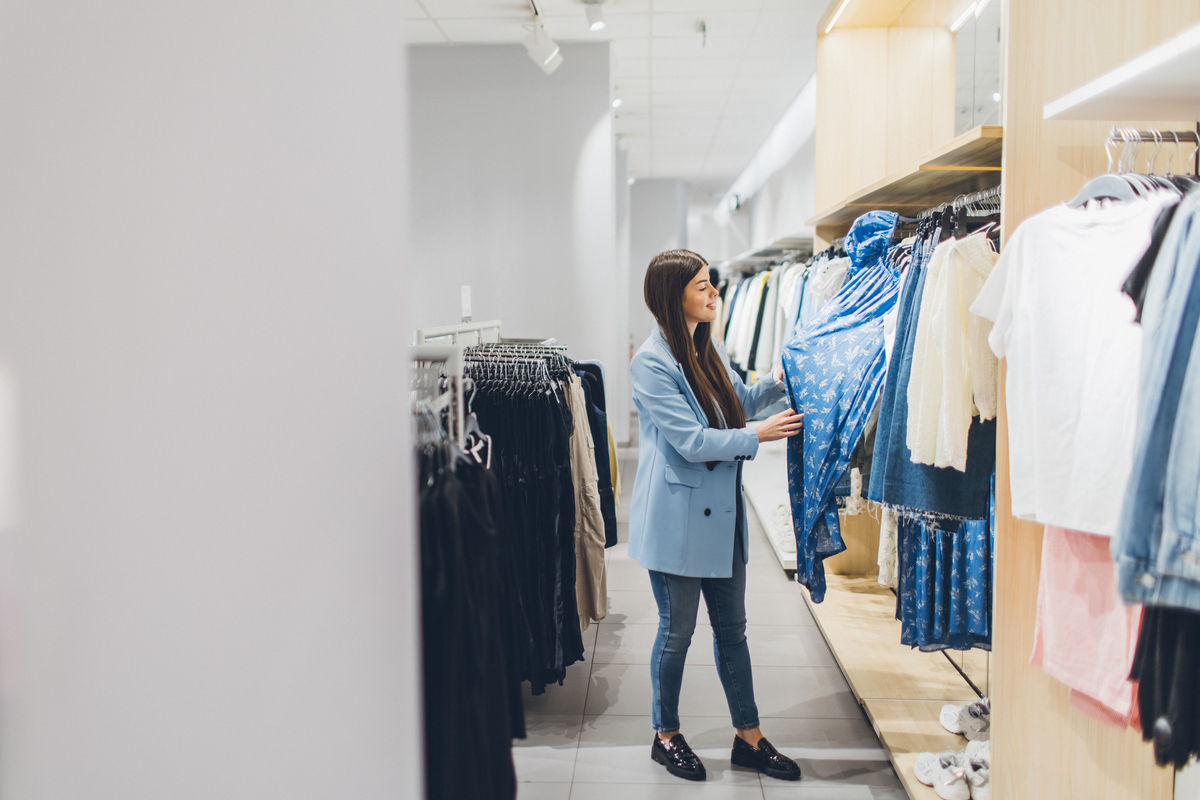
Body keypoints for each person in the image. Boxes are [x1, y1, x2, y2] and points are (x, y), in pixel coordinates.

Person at [628, 249, 804, 782]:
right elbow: (690, 441)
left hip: (722, 517)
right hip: (678, 516)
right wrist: (758, 437)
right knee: (676, 631)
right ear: (672, 294)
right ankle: (667, 735)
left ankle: (749, 738)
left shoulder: (709, 346)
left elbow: (742, 399)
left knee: (734, 631)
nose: (714, 294)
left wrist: (781, 379)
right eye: (702, 286)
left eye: (712, 284)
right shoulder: (650, 362)